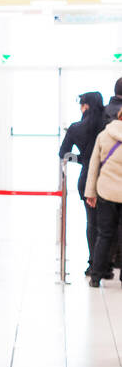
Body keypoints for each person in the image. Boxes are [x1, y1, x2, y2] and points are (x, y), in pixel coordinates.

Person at [60, 92, 109, 277]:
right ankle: (106, 263)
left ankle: (92, 263)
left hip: (86, 178)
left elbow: (63, 153)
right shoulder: (108, 126)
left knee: (92, 222)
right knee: (108, 225)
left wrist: (82, 159)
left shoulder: (76, 128)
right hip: (107, 179)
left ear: (86, 106)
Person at [84, 108, 122, 287]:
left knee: (104, 234)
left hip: (106, 191)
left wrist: (90, 193)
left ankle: (96, 276)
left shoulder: (104, 135)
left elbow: (93, 166)